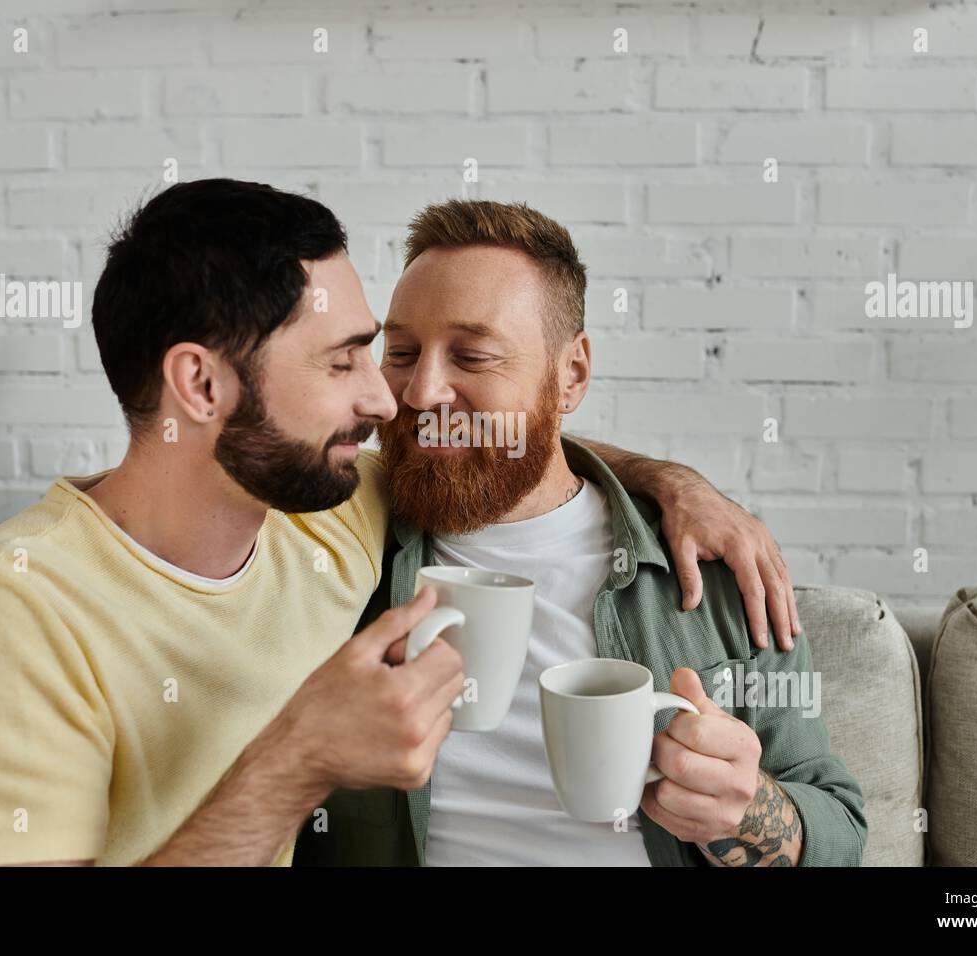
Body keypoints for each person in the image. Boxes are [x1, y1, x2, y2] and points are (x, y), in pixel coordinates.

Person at [0, 181, 796, 866]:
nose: (391, 402)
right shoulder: (1, 617)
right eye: (354, 360)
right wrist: (298, 759)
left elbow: (495, 438)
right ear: (201, 384)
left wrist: (672, 482)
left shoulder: (326, 518)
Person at [293, 200, 865, 866]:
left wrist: (749, 810)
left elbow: (841, 835)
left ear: (572, 376)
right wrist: (665, 473)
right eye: (401, 352)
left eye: (473, 357)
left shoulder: (710, 567)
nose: (421, 392)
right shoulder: (336, 535)